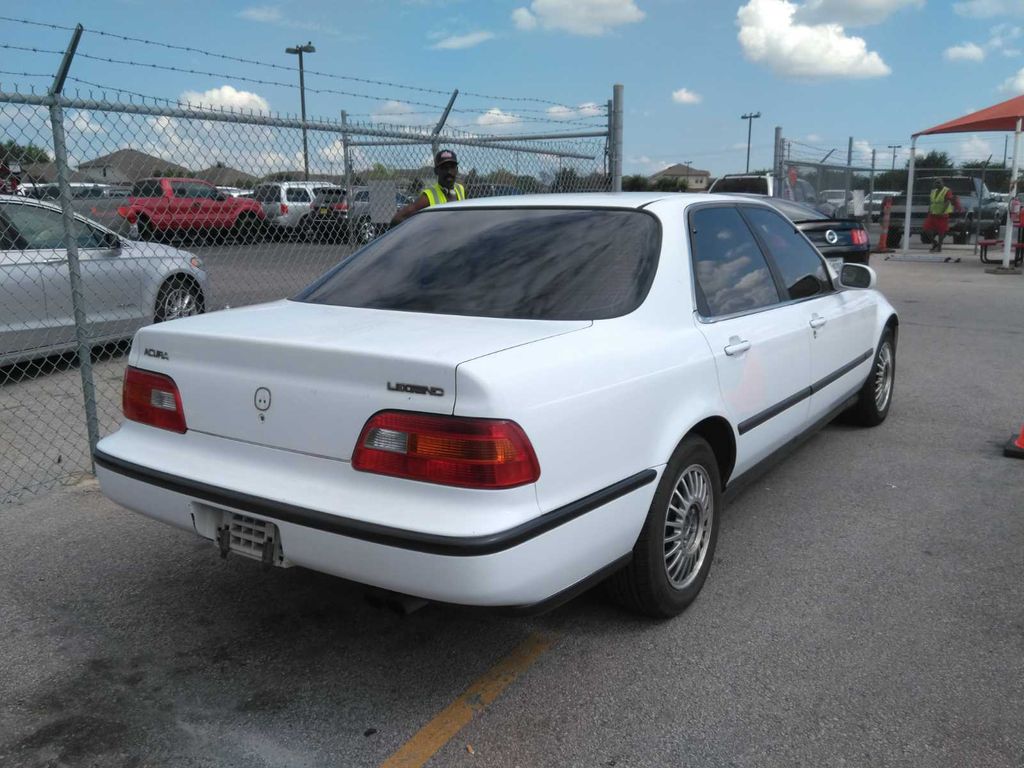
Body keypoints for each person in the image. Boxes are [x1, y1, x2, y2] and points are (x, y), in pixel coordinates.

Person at [390, 149, 465, 227]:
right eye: (444, 168)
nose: (449, 172)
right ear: (436, 171)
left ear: (457, 169)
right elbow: (398, 218)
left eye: (452, 167)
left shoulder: (460, 189)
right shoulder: (428, 196)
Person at [923, 178, 961, 253]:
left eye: (939, 182)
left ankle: (939, 247)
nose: (937, 184)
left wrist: (942, 211)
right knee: (926, 228)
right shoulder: (933, 191)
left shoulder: (946, 190)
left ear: (942, 183)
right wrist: (929, 211)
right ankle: (935, 243)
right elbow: (931, 202)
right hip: (933, 213)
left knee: (941, 231)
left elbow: (947, 201)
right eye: (936, 183)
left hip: (942, 214)